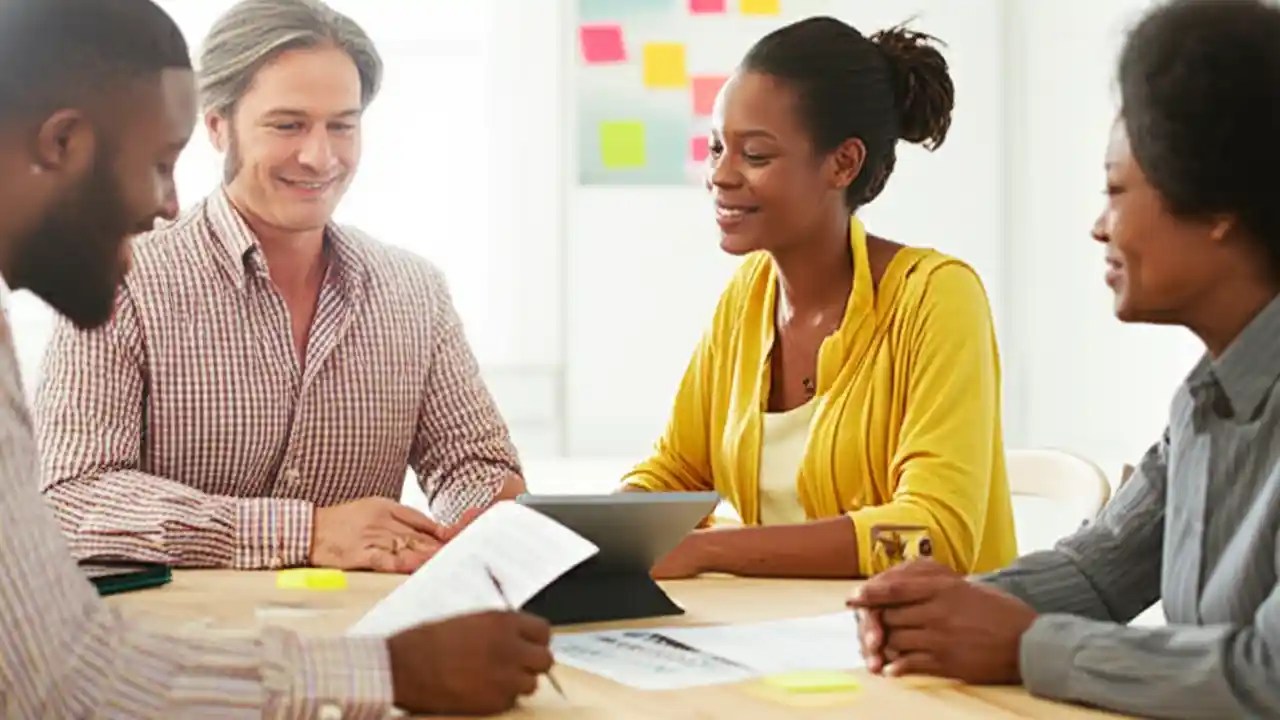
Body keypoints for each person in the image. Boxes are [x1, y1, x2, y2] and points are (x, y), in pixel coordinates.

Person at [0, 1, 551, 716]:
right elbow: (73, 511)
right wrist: (307, 533)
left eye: (342, 126)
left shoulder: (412, 290)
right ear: (219, 126)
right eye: (288, 124)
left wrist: (484, 530)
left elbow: (474, 464)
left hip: (325, 645)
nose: (320, 156)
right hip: (184, 654)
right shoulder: (128, 278)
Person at [849, 2, 1280, 718]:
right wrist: (953, 606)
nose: (1098, 225)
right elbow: (1101, 566)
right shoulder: (1206, 399)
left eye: (1116, 190)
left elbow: (1266, 675)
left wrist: (1027, 646)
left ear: (1217, 210)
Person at [621, 16, 1016, 580]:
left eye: (755, 155)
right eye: (715, 149)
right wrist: (605, 536)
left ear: (843, 163)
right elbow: (675, 472)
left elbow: (933, 534)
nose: (721, 176)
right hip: (784, 640)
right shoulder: (747, 299)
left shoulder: (937, 297)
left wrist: (711, 551)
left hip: (923, 649)